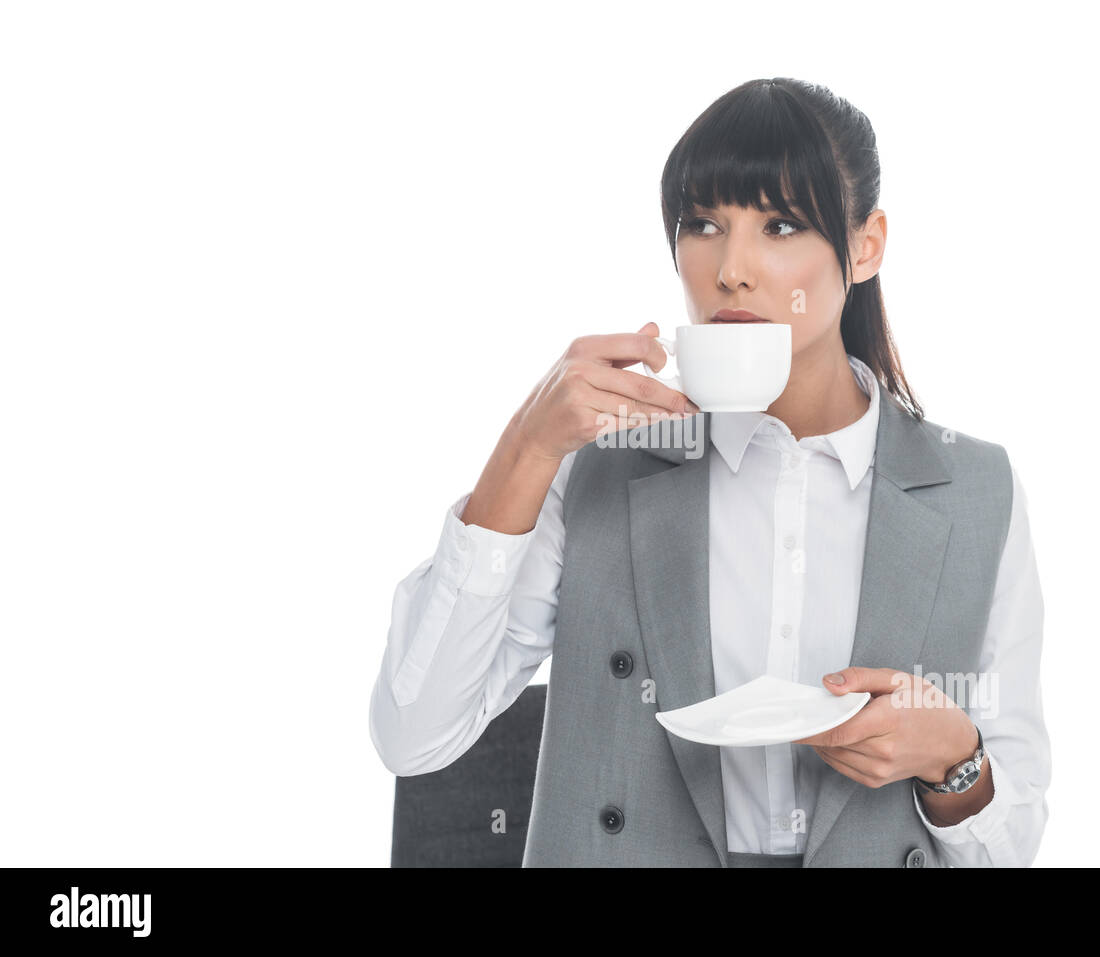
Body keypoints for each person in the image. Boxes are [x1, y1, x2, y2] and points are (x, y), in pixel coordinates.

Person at [369, 77, 1050, 867]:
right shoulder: (597, 465)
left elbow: (1010, 843)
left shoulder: (977, 494)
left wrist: (952, 757)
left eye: (781, 224)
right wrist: (526, 446)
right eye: (702, 224)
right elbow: (411, 733)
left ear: (865, 246)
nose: (731, 269)